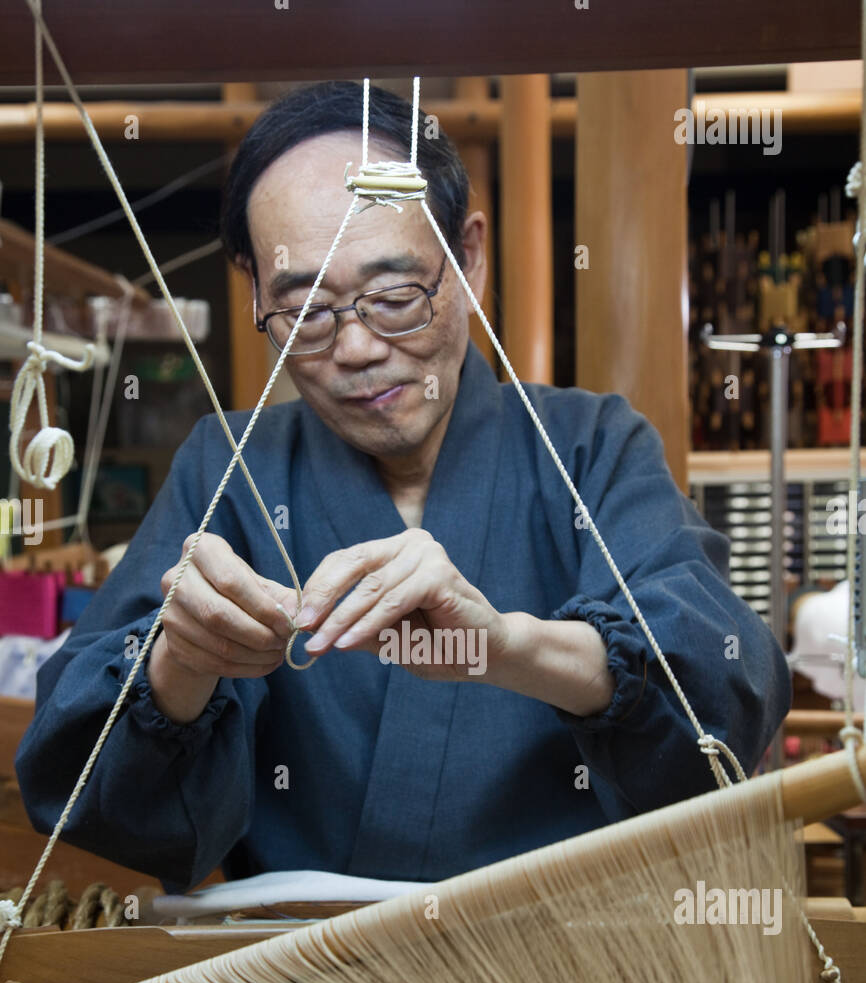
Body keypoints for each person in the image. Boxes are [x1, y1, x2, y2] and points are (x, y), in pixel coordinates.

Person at [17, 81, 791, 893]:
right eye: (307, 313)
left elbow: (725, 696)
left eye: (394, 298)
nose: (354, 348)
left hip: (569, 976)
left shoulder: (592, 446)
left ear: (470, 260)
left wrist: (506, 648)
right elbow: (84, 800)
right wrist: (180, 668)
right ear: (255, 296)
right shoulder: (229, 468)